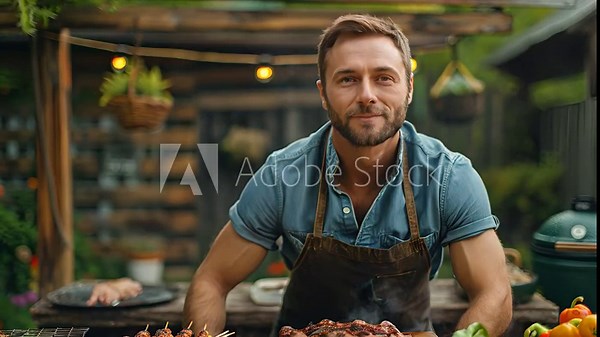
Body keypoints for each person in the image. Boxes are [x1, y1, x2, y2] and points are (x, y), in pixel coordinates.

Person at [183, 13, 512, 337]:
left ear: (409, 88)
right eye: (348, 79)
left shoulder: (448, 177)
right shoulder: (282, 176)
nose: (367, 95)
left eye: (384, 77)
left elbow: (493, 292)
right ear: (324, 93)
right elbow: (211, 281)